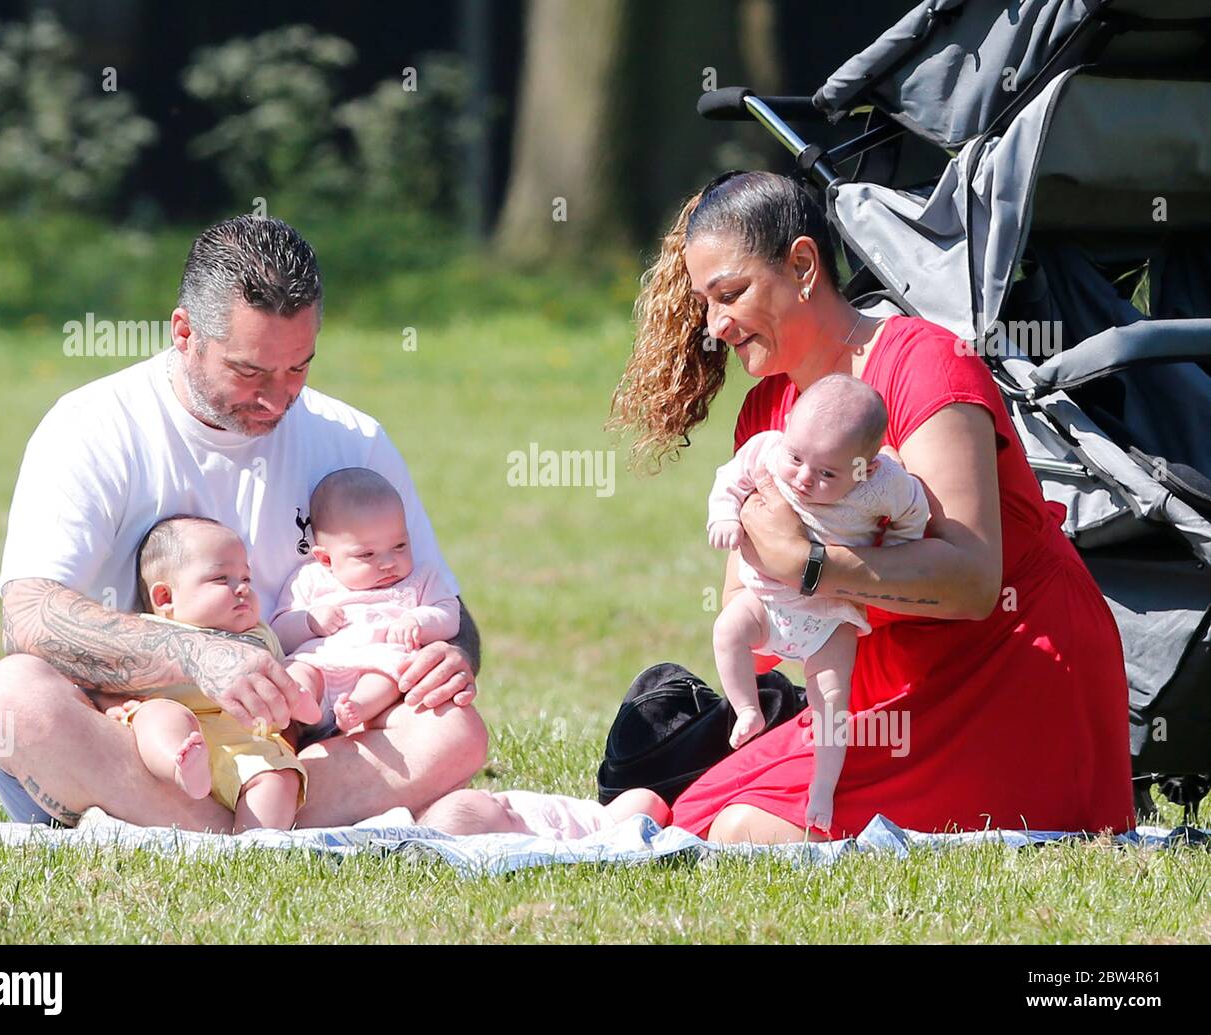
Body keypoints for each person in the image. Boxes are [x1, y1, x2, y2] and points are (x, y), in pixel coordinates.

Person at [608, 170, 1135, 843]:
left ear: (803, 264)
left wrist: (811, 564)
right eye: (705, 303)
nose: (715, 325)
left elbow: (974, 582)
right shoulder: (765, 414)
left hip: (1010, 664)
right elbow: (764, 624)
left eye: (731, 294)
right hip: (883, 686)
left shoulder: (927, 361)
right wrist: (751, 642)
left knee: (743, 828)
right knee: (684, 814)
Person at [0, 215, 486, 832]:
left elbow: (440, 605)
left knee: (452, 727)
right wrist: (195, 655)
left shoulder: (354, 441)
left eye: (298, 368)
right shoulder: (91, 427)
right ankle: (263, 826)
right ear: (184, 333)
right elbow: (28, 619)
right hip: (146, 740)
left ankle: (210, 827)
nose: (277, 397)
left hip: (307, 743)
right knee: (16, 698)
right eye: (250, 372)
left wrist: (449, 657)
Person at [707, 373, 929, 832]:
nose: (805, 478)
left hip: (830, 615)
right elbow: (729, 478)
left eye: (828, 473)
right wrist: (725, 515)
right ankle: (747, 707)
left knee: (832, 698)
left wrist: (895, 549)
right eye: (797, 458)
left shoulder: (884, 484)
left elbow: (916, 511)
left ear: (864, 468)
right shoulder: (769, 449)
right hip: (766, 597)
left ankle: (823, 788)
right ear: (787, 429)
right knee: (728, 629)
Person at [112, 515, 324, 832]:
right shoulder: (150, 633)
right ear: (165, 598)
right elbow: (109, 675)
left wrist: (297, 697)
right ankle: (180, 764)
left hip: (245, 742)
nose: (241, 589)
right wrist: (110, 703)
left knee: (279, 777)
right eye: (221, 579)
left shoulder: (259, 636)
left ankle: (256, 844)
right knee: (158, 716)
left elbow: (283, 681)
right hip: (181, 723)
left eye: (246, 579)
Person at [271, 467, 460, 735]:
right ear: (326, 559)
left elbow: (450, 614)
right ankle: (301, 703)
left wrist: (418, 620)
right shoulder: (310, 578)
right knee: (298, 670)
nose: (388, 562)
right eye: (367, 554)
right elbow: (279, 632)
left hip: (379, 662)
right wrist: (309, 622)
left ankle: (357, 709)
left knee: (389, 677)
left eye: (399, 546)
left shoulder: (420, 578)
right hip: (321, 660)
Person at [416, 787, 671, 839]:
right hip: (605, 822)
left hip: (592, 808)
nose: (504, 799)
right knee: (646, 801)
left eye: (491, 795)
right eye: (507, 813)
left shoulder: (496, 812)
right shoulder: (539, 841)